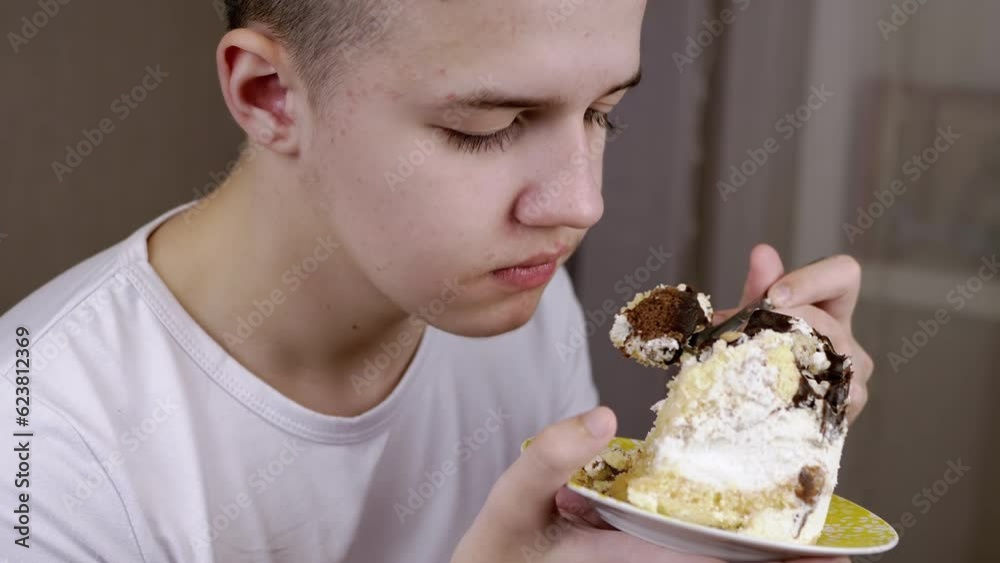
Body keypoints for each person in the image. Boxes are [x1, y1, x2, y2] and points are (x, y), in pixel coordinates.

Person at [0, 0, 873, 561]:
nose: (581, 202)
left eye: (605, 112)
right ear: (270, 94)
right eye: (487, 126)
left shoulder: (519, 301)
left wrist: (736, 464)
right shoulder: (40, 457)